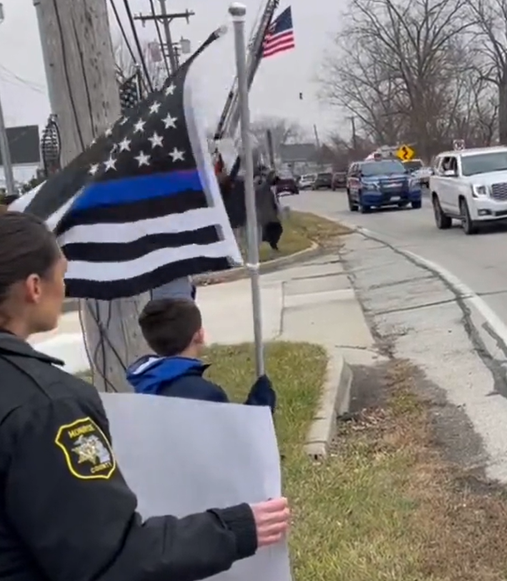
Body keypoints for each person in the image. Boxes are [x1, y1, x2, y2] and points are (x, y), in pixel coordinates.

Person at [0, 210, 290, 580]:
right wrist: (234, 528)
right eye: (63, 274)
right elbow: (109, 558)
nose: (66, 286)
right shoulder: (49, 407)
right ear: (34, 287)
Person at [126, 297, 276, 408]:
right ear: (199, 336)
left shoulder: (144, 385)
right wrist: (260, 407)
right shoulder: (205, 395)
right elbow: (231, 442)